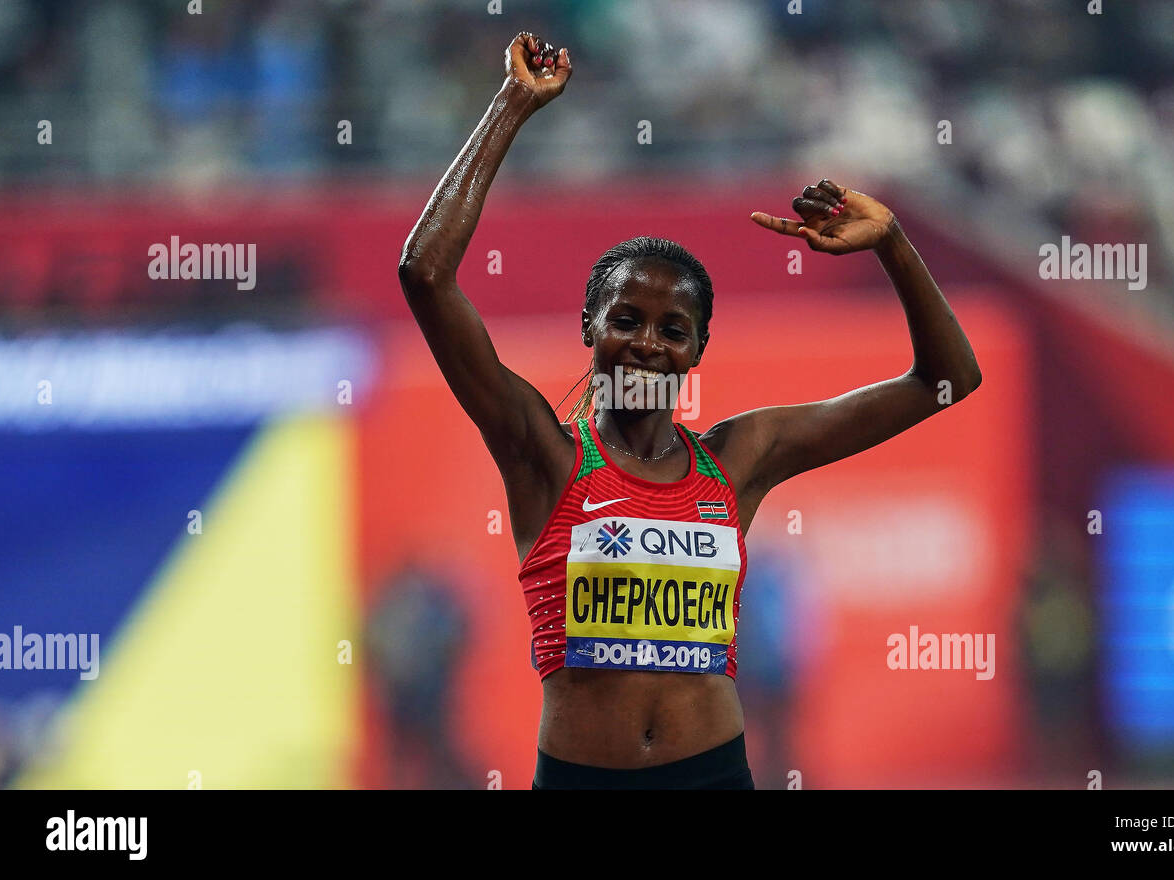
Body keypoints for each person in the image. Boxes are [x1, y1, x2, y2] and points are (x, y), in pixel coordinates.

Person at [398, 32, 982, 790]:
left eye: (673, 330)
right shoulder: (543, 454)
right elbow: (425, 273)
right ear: (589, 328)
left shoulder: (740, 459)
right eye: (625, 320)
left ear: (698, 350)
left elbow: (949, 379)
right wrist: (513, 104)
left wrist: (893, 243)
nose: (647, 343)